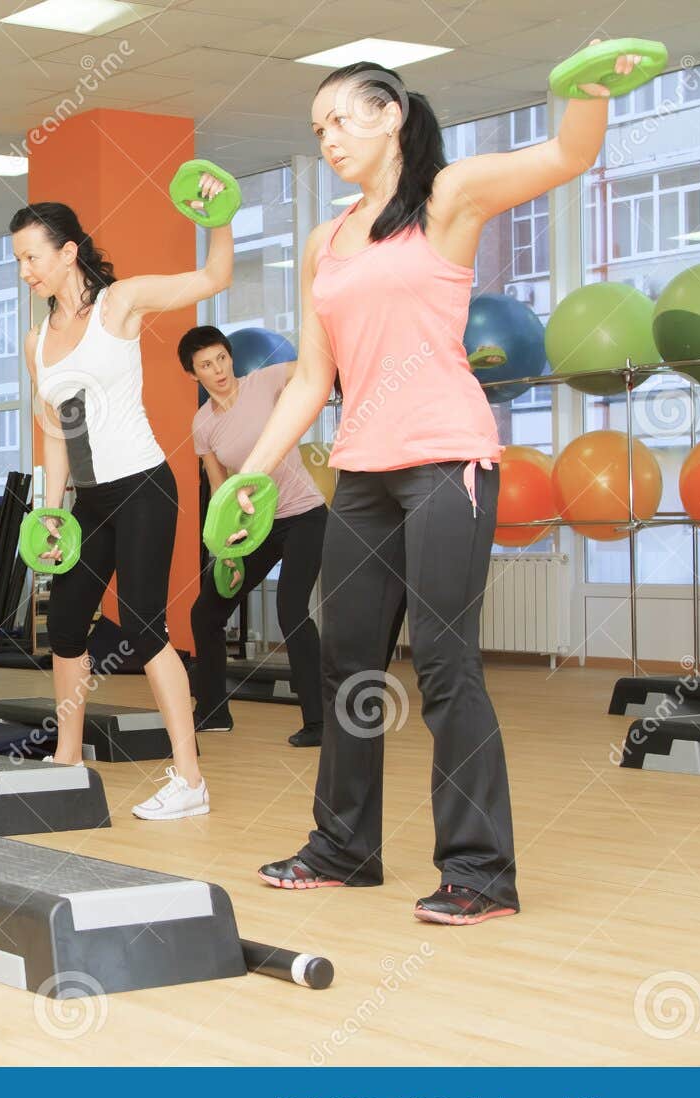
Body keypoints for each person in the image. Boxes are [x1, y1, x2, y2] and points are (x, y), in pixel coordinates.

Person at [236, 53, 645, 924]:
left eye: (341, 120)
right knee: (350, 662)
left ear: (389, 114)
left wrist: (591, 90)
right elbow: (312, 380)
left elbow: (566, 156)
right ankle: (343, 848)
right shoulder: (328, 239)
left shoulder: (448, 197)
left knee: (447, 664)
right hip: (360, 471)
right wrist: (250, 475)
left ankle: (479, 872)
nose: (328, 139)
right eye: (317, 130)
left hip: (446, 461)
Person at [11, 189, 231, 819]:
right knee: (66, 623)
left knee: (143, 626)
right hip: (90, 499)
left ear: (68, 251)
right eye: (20, 260)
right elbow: (55, 432)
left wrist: (218, 217)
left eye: (33, 258)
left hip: (143, 486)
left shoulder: (120, 303)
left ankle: (189, 779)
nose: (26, 272)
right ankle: (67, 760)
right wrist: (52, 514)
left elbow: (213, 276)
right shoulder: (37, 340)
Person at [181, 326, 326, 747]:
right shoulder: (203, 424)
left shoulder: (264, 381)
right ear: (194, 375)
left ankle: (318, 722)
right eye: (206, 365)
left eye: (222, 358)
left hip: (303, 516)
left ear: (230, 357)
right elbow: (217, 486)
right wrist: (223, 547)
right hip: (252, 530)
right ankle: (212, 712)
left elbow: (314, 367)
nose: (218, 369)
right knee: (205, 613)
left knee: (291, 609)